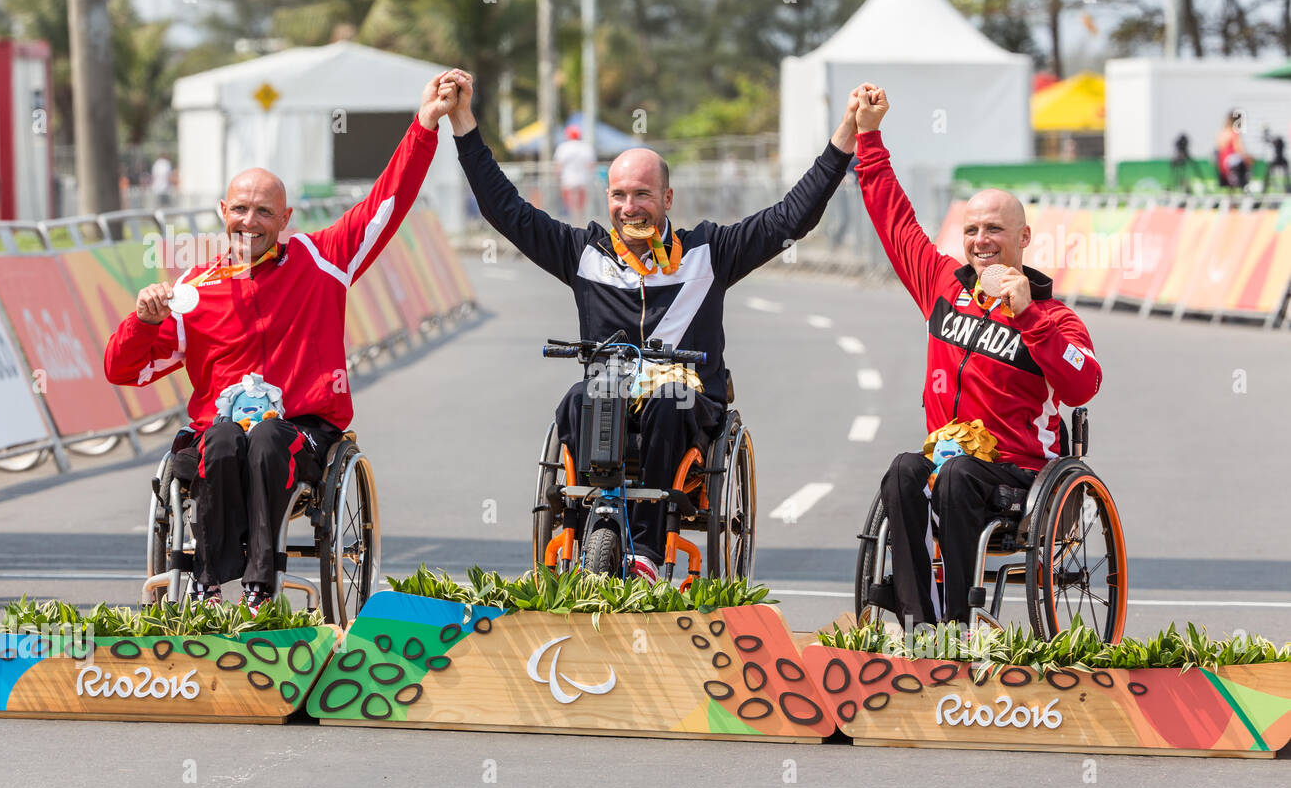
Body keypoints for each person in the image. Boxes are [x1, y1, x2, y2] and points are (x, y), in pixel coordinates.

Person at [447, 70, 860, 582]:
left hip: (688, 402)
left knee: (670, 399)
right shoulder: (584, 255)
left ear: (668, 199)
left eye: (642, 195)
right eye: (619, 195)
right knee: (579, 397)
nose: (629, 208)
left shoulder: (711, 253)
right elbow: (504, 210)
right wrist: (463, 121)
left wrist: (845, 135)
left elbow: (790, 217)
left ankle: (643, 549)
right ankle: (585, 523)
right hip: (610, 394)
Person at [105, 71, 461, 610]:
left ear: (286, 218)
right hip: (222, 438)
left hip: (302, 434)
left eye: (265, 211)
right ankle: (207, 584)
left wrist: (425, 125)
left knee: (269, 437)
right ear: (223, 214)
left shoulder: (322, 262)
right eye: (241, 210)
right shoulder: (192, 290)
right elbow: (122, 370)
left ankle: (259, 586)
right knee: (223, 438)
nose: (251, 222)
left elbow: (387, 203)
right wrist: (143, 323)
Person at [852, 83, 1102, 627]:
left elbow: (1085, 382)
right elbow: (894, 220)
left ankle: (962, 624)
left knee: (961, 476)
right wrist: (869, 136)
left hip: (1018, 476)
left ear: (1024, 237)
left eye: (994, 229)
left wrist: (1028, 317)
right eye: (971, 230)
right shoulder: (941, 285)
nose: (981, 240)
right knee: (902, 471)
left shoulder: (1054, 316)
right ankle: (923, 622)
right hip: (949, 464)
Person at [553, 124, 597, 223]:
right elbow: (591, 165)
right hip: (583, 179)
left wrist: (557, 177)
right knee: (580, 202)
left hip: (567, 179)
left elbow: (558, 165)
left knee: (569, 201)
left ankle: (573, 218)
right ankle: (579, 218)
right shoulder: (585, 147)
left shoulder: (563, 147)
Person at [1216, 111, 1251, 190]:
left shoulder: (1222, 132)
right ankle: (1244, 186)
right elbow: (1239, 150)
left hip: (1222, 164)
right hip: (1232, 165)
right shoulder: (1234, 133)